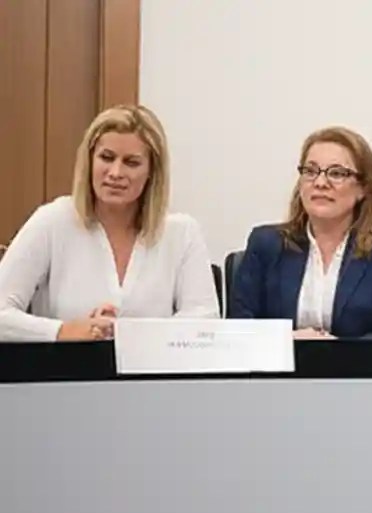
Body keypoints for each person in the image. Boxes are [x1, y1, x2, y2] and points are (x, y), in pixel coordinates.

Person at [0, 104, 219, 341]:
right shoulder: (52, 221)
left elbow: (204, 320)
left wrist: (128, 333)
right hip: (65, 373)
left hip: (149, 376)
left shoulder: (182, 232)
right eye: (106, 158)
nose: (115, 172)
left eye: (131, 163)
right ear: (90, 161)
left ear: (152, 172)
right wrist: (63, 331)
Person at [229, 126, 372, 338]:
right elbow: (240, 332)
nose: (321, 183)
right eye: (310, 171)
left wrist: (334, 350)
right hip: (283, 369)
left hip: (361, 371)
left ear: (363, 188)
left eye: (337, 173)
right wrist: (288, 340)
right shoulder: (266, 244)